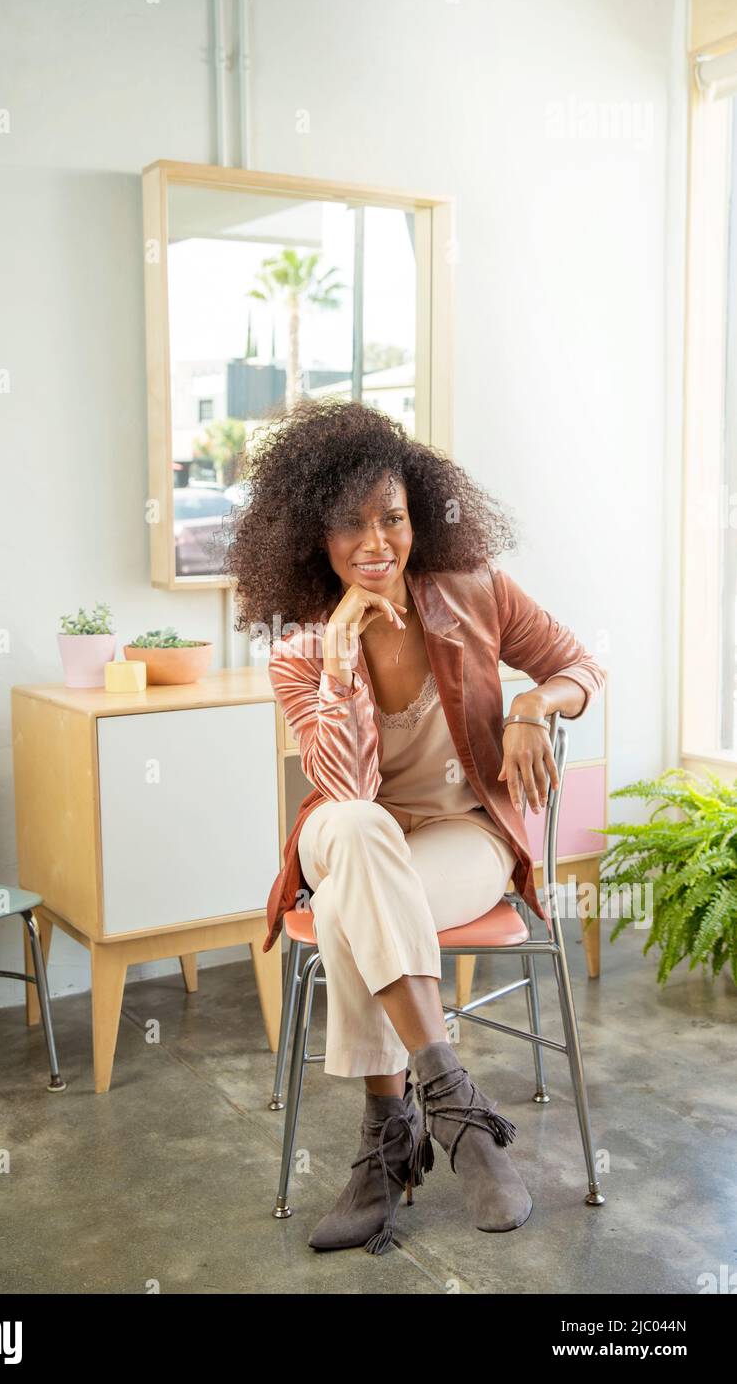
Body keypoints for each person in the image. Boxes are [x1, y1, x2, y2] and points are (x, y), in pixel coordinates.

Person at [226, 398, 606, 1255]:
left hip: (457, 836)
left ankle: (383, 1137)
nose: (375, 543)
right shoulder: (298, 655)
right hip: (349, 831)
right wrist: (337, 662)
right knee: (358, 834)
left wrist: (533, 705)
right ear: (311, 538)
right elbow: (344, 785)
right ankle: (458, 1107)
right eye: (350, 525)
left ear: (419, 516)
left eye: (391, 519)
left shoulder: (477, 594)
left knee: (346, 915)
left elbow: (580, 663)